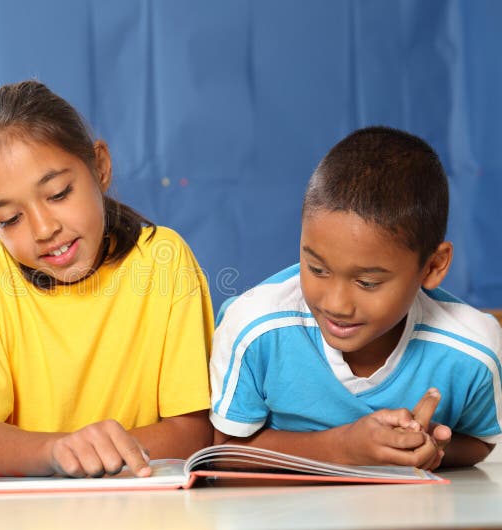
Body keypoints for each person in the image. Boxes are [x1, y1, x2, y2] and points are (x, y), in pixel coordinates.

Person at [0, 80, 214, 478]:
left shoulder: (163, 259)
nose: (44, 228)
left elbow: (193, 433)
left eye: (58, 193)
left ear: (99, 167)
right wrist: (60, 451)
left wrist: (91, 452)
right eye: (10, 219)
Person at [210, 126, 501, 469]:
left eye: (366, 282)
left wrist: (422, 448)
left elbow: (480, 441)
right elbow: (223, 451)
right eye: (317, 269)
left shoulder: (473, 350)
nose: (335, 303)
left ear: (433, 266)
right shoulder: (254, 327)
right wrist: (345, 449)